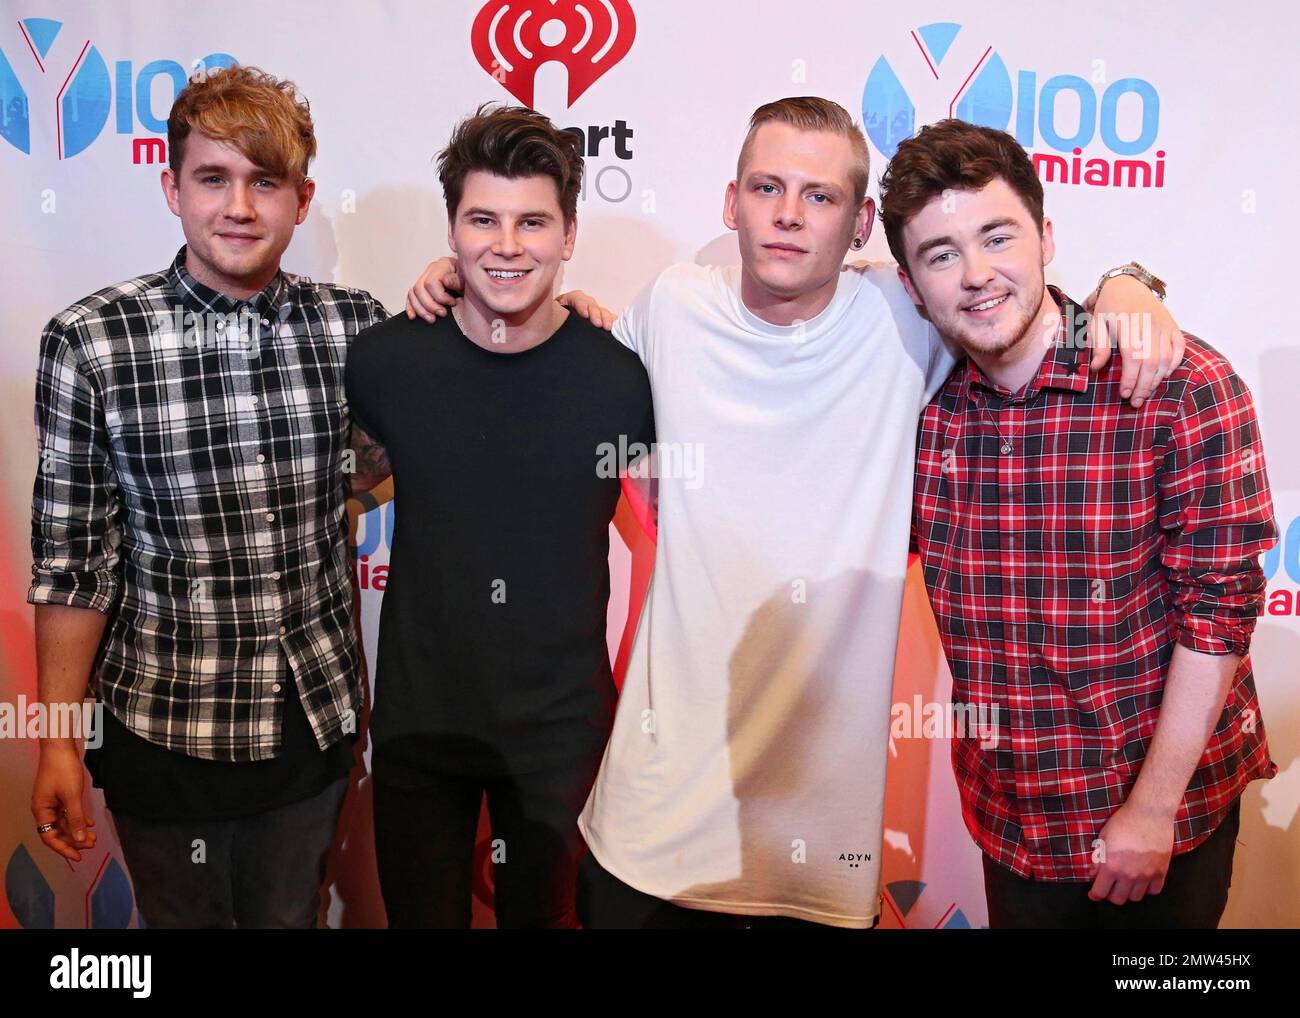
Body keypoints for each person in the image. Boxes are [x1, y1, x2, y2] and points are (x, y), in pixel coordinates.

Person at [406, 97, 1184, 928]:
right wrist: (459, 292)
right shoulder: (670, 307)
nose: (786, 214)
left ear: (860, 226)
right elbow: (550, 367)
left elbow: (1013, 289)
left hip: (822, 855)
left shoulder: (907, 316)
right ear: (729, 199)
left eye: (819, 196)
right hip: (647, 830)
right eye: (766, 187)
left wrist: (1130, 285)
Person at [887, 119, 1277, 928]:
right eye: (941, 254)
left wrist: (1152, 811)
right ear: (911, 282)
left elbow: (1220, 610)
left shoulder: (1178, 385)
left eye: (998, 237)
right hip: (1013, 823)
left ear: (1046, 236)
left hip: (1165, 822)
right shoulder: (921, 415)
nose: (976, 275)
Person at [28, 66, 388, 928]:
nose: (239, 207)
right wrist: (57, 741)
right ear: (171, 186)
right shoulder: (92, 342)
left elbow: (419, 450)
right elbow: (73, 564)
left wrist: (544, 317)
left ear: (301, 199)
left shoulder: (356, 327)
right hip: (164, 726)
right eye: (213, 178)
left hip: (312, 721)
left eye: (265, 182)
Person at [345, 104, 654, 928]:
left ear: (569, 233)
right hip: (420, 724)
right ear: (451, 229)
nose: (507, 246)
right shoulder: (386, 360)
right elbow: (327, 497)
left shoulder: (625, 377)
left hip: (562, 732)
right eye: (483, 220)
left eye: (532, 222)